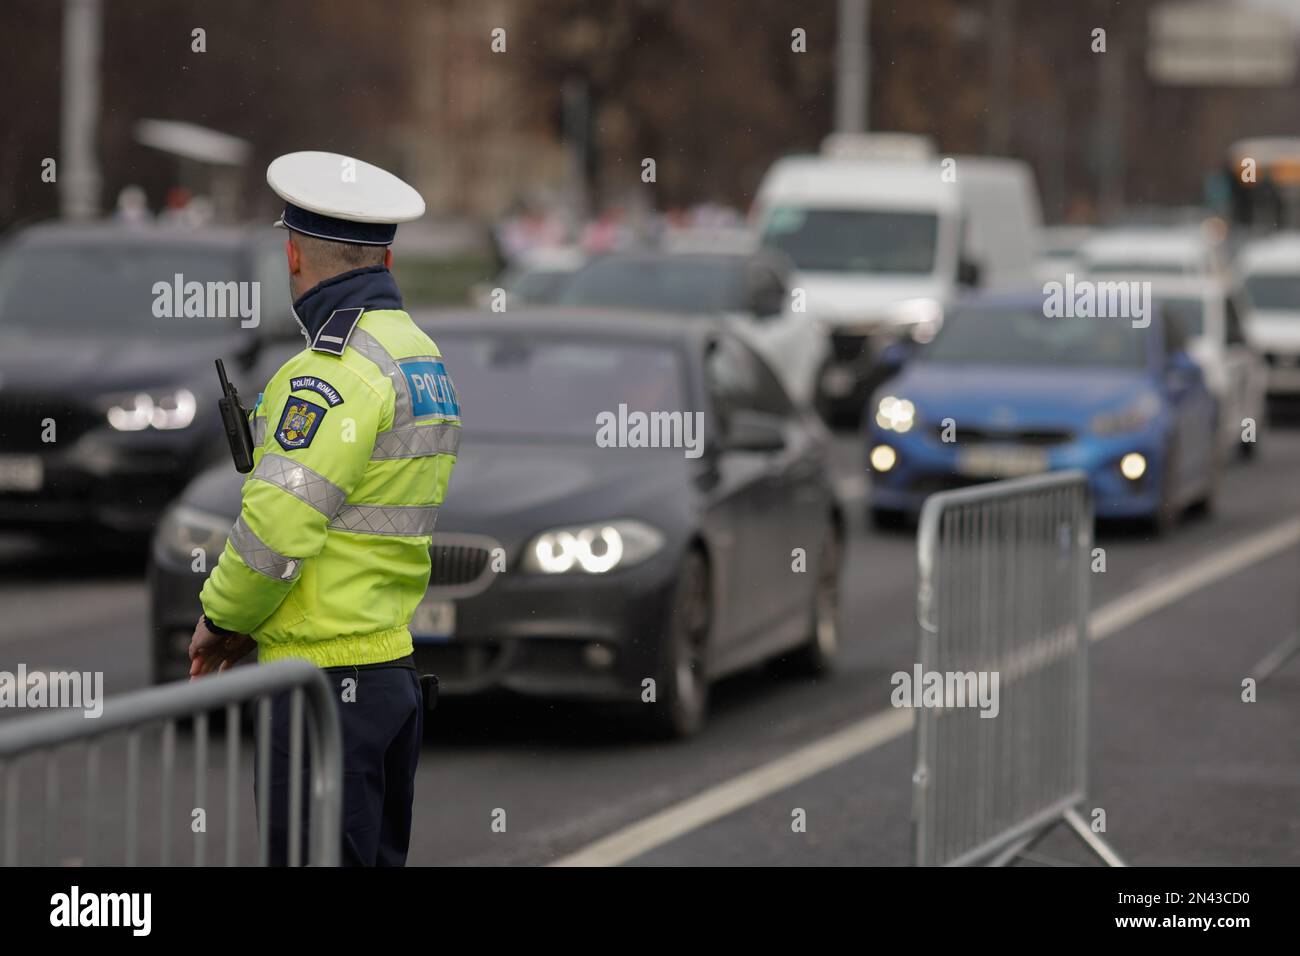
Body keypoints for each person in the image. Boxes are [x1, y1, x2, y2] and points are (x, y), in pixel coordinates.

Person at [187, 150, 461, 866]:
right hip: (390, 670)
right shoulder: (418, 355)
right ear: (386, 261)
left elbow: (276, 530)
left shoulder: (329, 374)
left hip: (320, 684)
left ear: (294, 257)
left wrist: (222, 620)